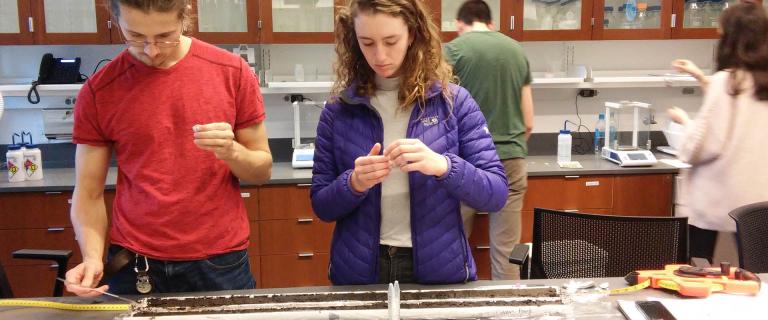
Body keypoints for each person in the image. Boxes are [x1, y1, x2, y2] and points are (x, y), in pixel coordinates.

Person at [65, 0, 272, 296]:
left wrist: (232, 152)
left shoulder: (231, 72)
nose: (152, 50)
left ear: (184, 16)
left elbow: (262, 170)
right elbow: (87, 193)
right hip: (136, 262)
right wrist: (91, 257)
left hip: (219, 263)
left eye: (165, 36)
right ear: (115, 20)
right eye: (135, 36)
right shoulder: (100, 90)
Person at [310, 0, 508, 285]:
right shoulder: (338, 111)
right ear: (355, 40)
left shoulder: (453, 103)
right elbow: (322, 205)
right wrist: (353, 183)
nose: (379, 55)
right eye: (367, 43)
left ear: (413, 34)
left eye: (391, 41)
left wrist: (443, 166)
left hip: (438, 269)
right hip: (361, 271)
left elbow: (496, 193)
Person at [667, 3, 768, 264]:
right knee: (757, 275)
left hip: (717, 203)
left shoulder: (727, 81)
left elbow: (699, 147)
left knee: (698, 274)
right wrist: (701, 78)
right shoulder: (758, 81)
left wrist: (684, 123)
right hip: (759, 206)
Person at [443, 0, 534, 280]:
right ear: (490, 23)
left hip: (466, 162)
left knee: (452, 247)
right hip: (511, 159)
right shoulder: (516, 50)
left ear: (461, 25)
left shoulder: (453, 50)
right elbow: (529, 121)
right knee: (507, 255)